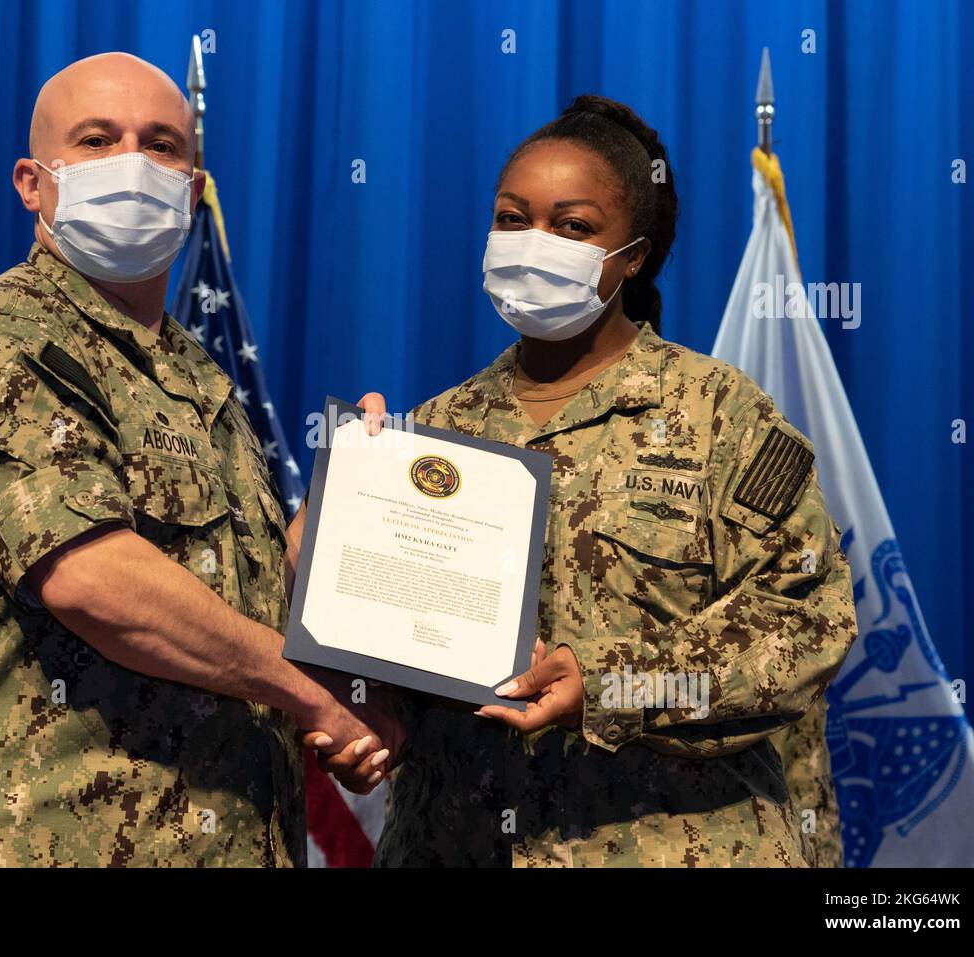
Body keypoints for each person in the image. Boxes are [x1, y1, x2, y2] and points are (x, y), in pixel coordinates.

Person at [0, 52, 395, 868]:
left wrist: (354, 508)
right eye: (97, 140)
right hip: (8, 838)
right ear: (32, 181)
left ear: (193, 191)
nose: (132, 162)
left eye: (162, 145)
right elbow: (94, 579)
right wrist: (310, 697)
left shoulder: (198, 378)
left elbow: (240, 588)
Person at [336, 95, 858, 865]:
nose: (531, 244)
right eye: (512, 219)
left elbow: (809, 625)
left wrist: (613, 682)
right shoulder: (434, 429)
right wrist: (367, 705)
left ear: (634, 255)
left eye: (573, 227)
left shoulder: (719, 415)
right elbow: (398, 656)